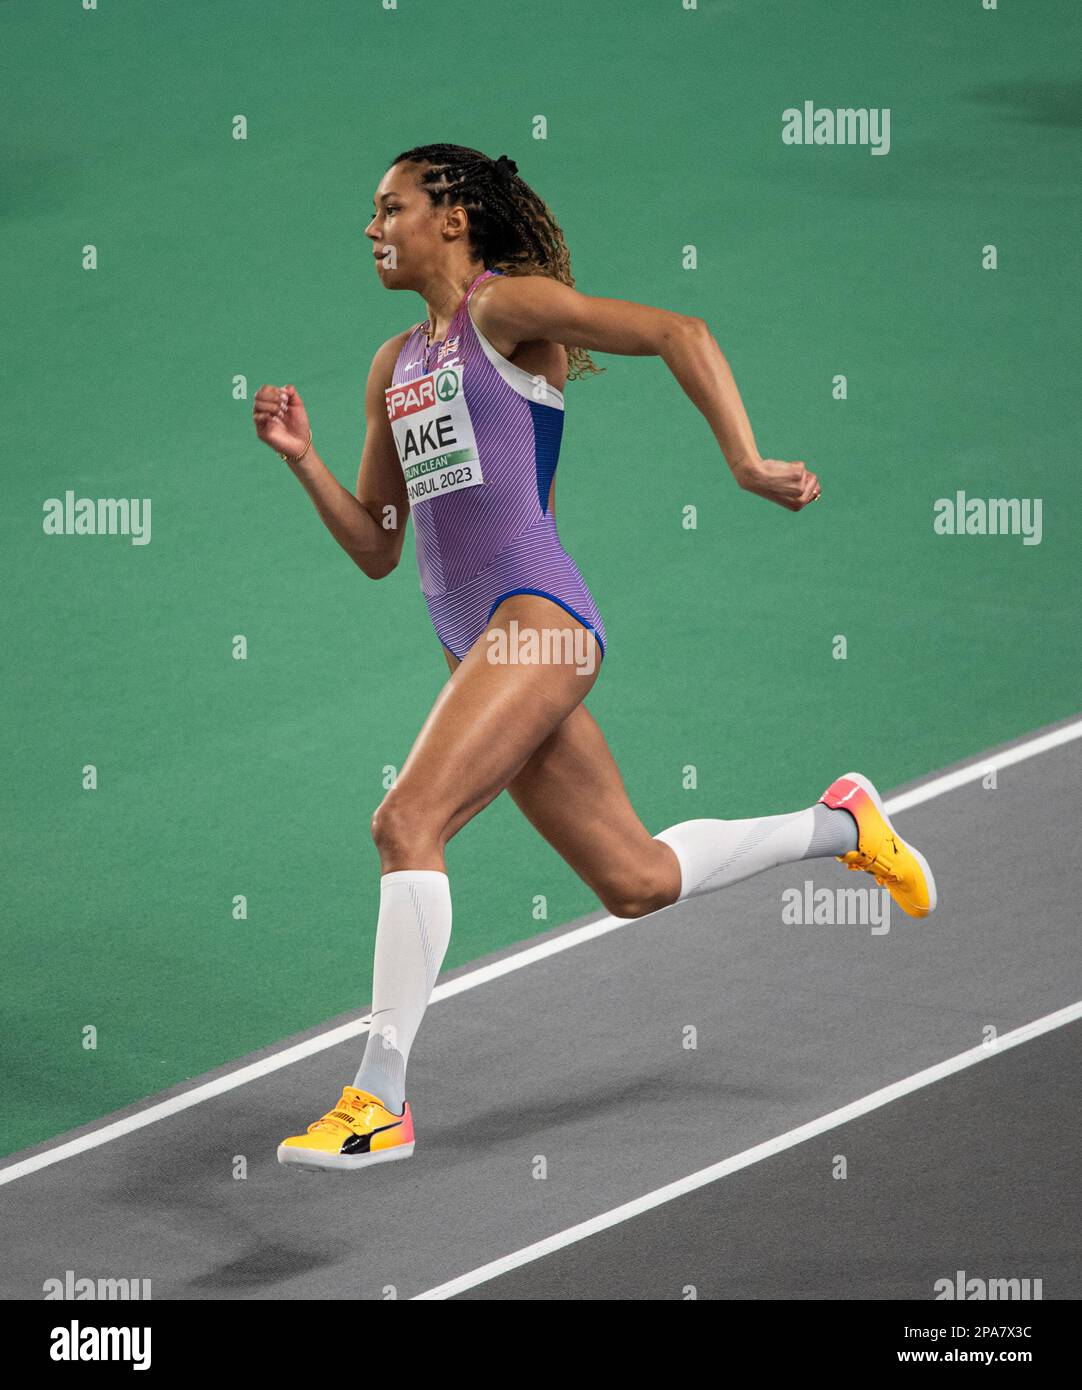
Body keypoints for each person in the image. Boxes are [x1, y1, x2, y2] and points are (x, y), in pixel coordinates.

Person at [252, 144, 936, 1172]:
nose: (371, 227)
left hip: (539, 620)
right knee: (635, 878)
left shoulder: (506, 310)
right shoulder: (391, 366)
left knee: (406, 821)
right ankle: (841, 823)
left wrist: (744, 463)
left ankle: (377, 1098)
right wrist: (305, 463)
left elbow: (678, 331)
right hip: (471, 641)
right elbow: (379, 546)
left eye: (388, 207)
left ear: (450, 215)